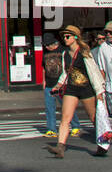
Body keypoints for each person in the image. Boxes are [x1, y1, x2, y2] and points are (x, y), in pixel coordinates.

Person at [46, 25, 108, 159]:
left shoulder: (84, 52)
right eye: (63, 36)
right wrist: (59, 84)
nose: (65, 38)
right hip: (71, 88)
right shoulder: (64, 54)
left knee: (93, 118)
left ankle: (102, 144)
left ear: (75, 37)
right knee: (65, 118)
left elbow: (94, 73)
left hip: (86, 88)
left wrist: (99, 91)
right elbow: (65, 72)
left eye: (67, 36)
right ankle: (60, 147)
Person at [41, 33, 63, 137]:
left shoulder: (62, 51)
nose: (46, 47)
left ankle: (75, 126)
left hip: (60, 84)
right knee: (49, 108)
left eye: (47, 45)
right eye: (45, 45)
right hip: (49, 84)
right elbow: (44, 67)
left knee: (66, 106)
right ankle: (51, 129)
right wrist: (44, 81)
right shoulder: (45, 53)